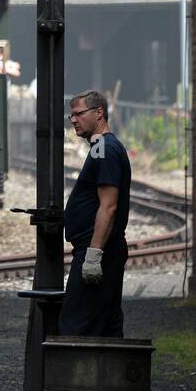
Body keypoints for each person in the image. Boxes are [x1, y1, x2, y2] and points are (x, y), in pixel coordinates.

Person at [59, 90, 132, 337]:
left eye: (79, 114)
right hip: (104, 248)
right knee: (107, 325)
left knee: (75, 324)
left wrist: (93, 255)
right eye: (71, 116)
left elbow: (108, 205)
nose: (73, 120)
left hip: (99, 249)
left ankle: (74, 375)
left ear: (99, 112)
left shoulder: (104, 148)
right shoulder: (101, 146)